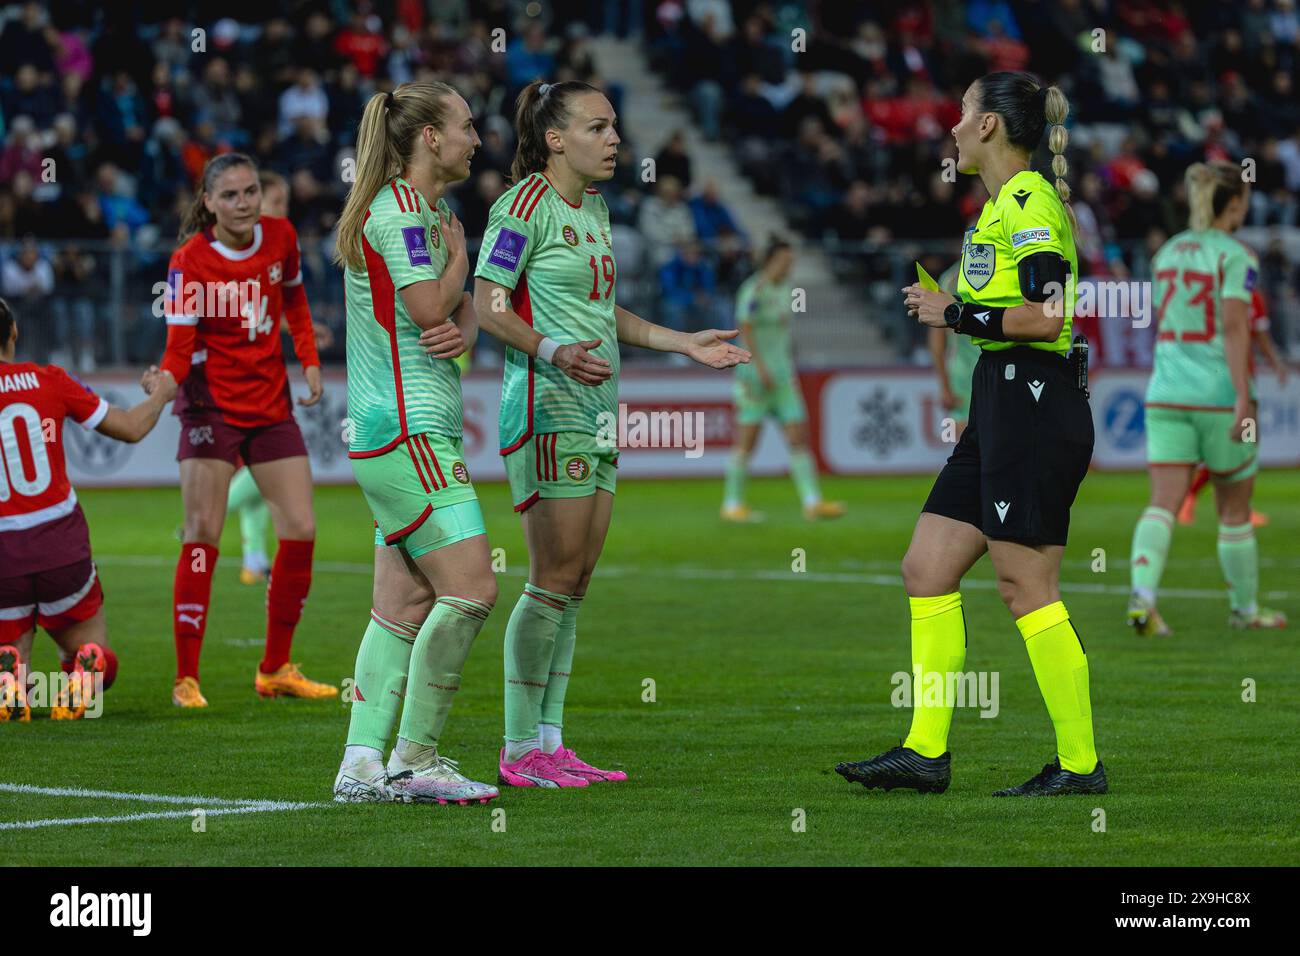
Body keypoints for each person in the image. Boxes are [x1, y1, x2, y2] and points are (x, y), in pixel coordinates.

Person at [837, 71, 1106, 797]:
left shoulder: (1026, 204)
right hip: (1001, 395)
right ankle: (926, 754)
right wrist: (958, 312)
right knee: (926, 567)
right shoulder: (999, 207)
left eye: (962, 113)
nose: (951, 127)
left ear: (988, 126)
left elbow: (1047, 315)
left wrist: (954, 315)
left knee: (1026, 587)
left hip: (1034, 398)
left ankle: (1080, 765)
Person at [474, 79, 749, 788]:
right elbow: (489, 306)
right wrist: (552, 351)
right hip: (545, 407)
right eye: (598, 128)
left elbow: (605, 311)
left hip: (598, 408)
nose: (616, 140)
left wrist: (681, 342)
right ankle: (517, 748)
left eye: (615, 128)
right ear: (556, 139)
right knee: (550, 578)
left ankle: (551, 741)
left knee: (578, 581)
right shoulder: (521, 207)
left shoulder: (593, 208)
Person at [331, 82, 500, 805]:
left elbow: (456, 334)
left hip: (402, 426)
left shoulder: (424, 211)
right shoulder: (400, 213)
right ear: (429, 136)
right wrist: (460, 268)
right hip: (408, 429)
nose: (477, 139)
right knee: (472, 589)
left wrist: (456, 297)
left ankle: (361, 764)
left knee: (400, 609)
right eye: (466, 126)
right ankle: (416, 760)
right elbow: (435, 310)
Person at [154, 152, 335, 708]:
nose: (243, 203)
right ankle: (187, 676)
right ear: (208, 202)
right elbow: (179, 349)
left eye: (251, 191)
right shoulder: (188, 261)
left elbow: (296, 303)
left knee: (301, 529)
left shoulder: (281, 235)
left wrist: (307, 360)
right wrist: (162, 383)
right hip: (210, 406)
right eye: (230, 195)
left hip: (270, 403)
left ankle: (275, 667)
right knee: (202, 535)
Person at [1127, 163, 1288, 635]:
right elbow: (1236, 327)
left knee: (1161, 503)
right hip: (1217, 394)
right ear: (1233, 206)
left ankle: (1143, 596)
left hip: (1166, 392)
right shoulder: (1237, 256)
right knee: (1235, 510)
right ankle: (1245, 610)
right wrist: (1243, 398)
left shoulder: (1167, 253)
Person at [0, 297, 176, 720]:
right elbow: (131, 428)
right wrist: (162, 395)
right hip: (61, 542)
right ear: (15, 333)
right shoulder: (50, 380)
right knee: (91, 647)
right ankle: (88, 668)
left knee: (10, 645)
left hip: (4, 552)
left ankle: (10, 677)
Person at [224, 169, 335, 586]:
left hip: (265, 380)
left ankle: (254, 558)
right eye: (276, 203)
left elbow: (272, 308)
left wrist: (305, 334)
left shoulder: (277, 247)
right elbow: (245, 312)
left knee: (255, 472)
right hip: (236, 385)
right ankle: (207, 515)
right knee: (265, 470)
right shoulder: (237, 252)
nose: (283, 212)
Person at [720, 238, 845, 522]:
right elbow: (745, 329)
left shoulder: (787, 289)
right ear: (770, 261)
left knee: (797, 437)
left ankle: (812, 502)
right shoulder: (754, 289)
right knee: (747, 442)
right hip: (755, 378)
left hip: (783, 377)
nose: (790, 266)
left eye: (792, 261)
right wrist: (759, 366)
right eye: (785, 261)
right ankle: (731, 504)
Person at [1177, 286, 1288, 527]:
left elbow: (1260, 336)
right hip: (1222, 382)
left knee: (1244, 445)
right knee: (1234, 445)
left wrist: (1275, 363)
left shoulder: (1251, 297)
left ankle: (1225, 503)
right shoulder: (1216, 296)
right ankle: (1193, 497)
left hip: (1243, 381)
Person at [926, 263, 981, 439]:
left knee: (969, 449)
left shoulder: (951, 277)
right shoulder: (951, 279)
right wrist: (944, 386)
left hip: (968, 373)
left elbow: (936, 342)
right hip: (967, 376)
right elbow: (937, 342)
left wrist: (944, 386)